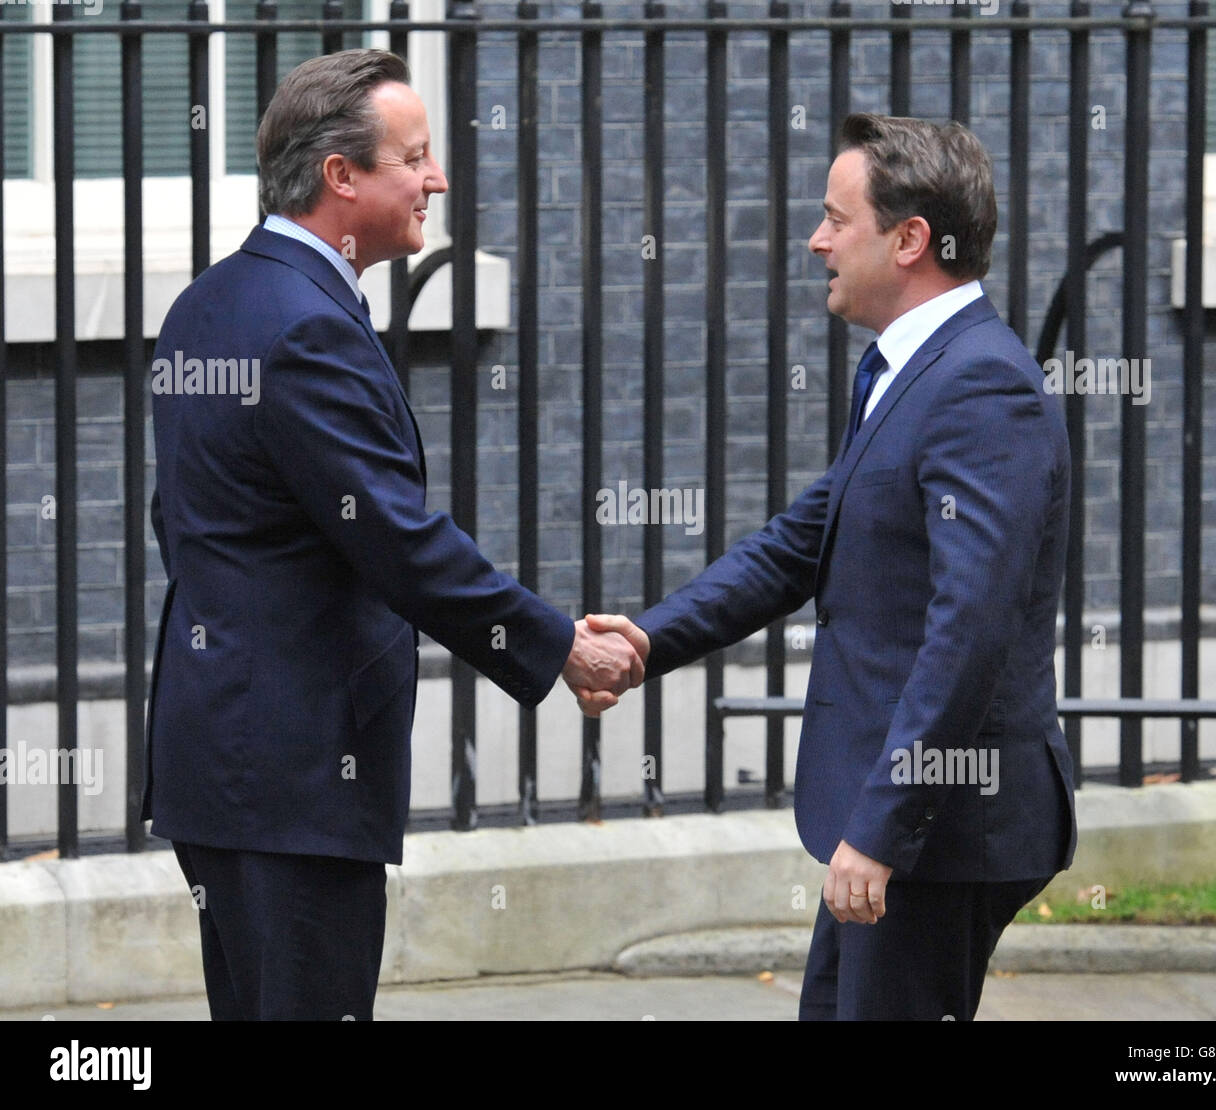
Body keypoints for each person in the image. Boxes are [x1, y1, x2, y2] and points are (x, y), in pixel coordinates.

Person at [144, 49, 641, 1020]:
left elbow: (186, 521)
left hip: (224, 757)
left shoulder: (206, 304)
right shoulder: (306, 328)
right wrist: (557, 648)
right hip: (297, 773)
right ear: (341, 177)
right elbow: (398, 541)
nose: (437, 178)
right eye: (413, 157)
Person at [586, 113, 1077, 1021]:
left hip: (936, 832)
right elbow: (800, 542)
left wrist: (886, 829)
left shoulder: (981, 387)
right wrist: (650, 638)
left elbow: (968, 630)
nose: (816, 240)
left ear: (909, 240)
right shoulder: (909, 369)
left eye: (834, 219)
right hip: (899, 824)